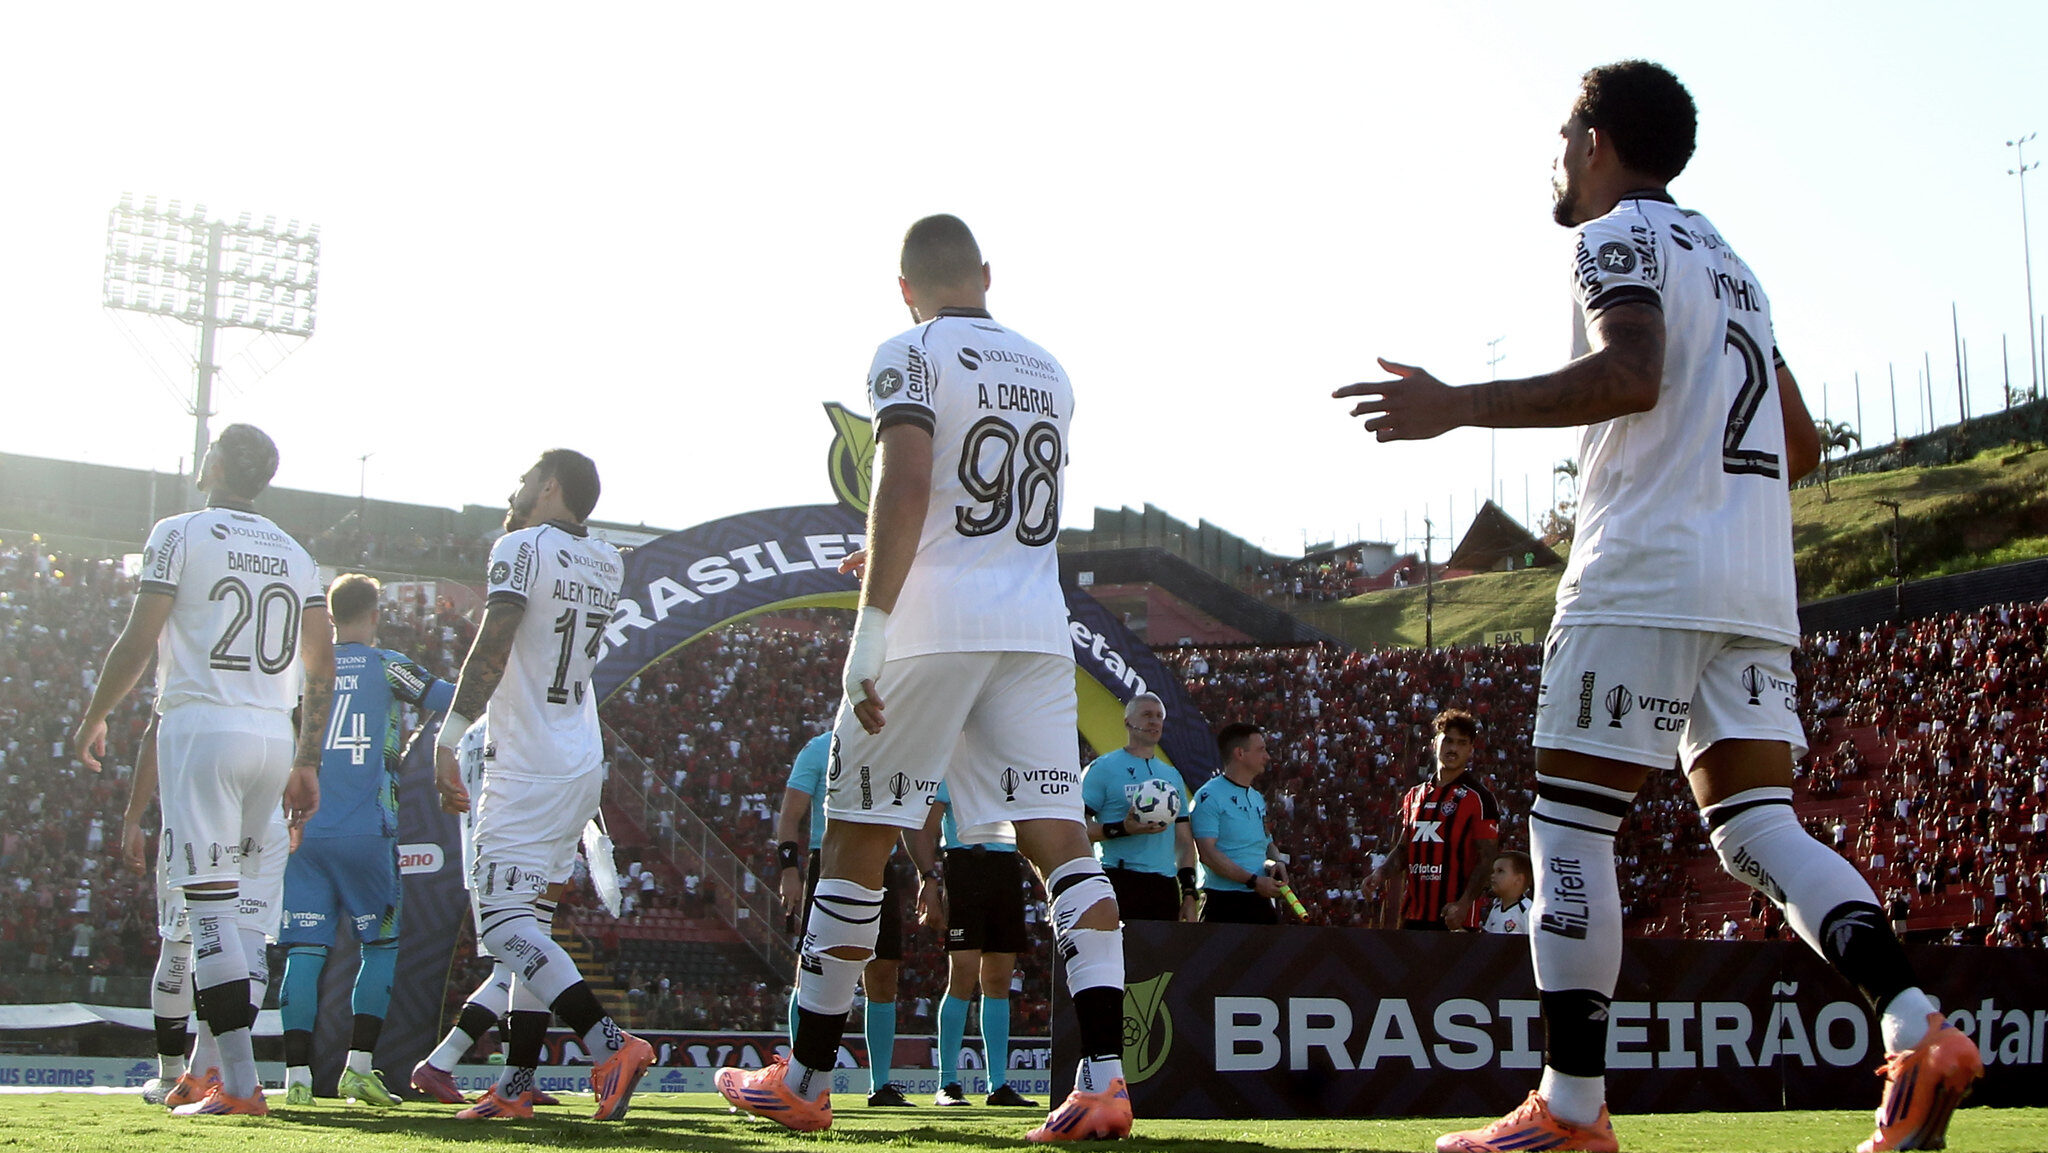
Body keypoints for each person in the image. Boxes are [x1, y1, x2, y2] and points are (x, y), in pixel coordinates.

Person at [1336, 60, 1982, 1153]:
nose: (1552, 155)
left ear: (1595, 140)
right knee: (1755, 828)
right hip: (1749, 584)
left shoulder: (1610, 237)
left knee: (1569, 823)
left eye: (1560, 133)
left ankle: (1571, 1108)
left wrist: (1457, 407)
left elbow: (1629, 373)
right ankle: (1915, 1024)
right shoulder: (1734, 265)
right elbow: (1800, 442)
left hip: (1645, 572)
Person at [717, 215, 1133, 1142]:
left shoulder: (905, 352)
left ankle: (807, 1076)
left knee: (858, 846)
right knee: (1064, 847)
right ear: (986, 274)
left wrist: (870, 626)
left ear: (903, 285)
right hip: (1033, 628)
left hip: (930, 631)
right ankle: (1104, 1078)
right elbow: (974, 511)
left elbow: (904, 484)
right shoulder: (1051, 368)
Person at [73, 423, 333, 1117]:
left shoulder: (179, 531)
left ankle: (241, 1088)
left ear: (213, 463)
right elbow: (321, 664)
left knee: (210, 912)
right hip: (273, 736)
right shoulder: (298, 555)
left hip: (203, 730)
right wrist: (306, 756)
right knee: (247, 919)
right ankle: (217, 1073)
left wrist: (95, 714)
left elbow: (139, 638)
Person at [432, 450, 653, 1121]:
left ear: (550, 485)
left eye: (528, 477)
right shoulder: (610, 558)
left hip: (525, 759)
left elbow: (496, 642)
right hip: (578, 757)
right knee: (535, 926)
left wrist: (449, 735)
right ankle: (517, 1081)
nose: (519, 486)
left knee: (502, 927)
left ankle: (608, 1043)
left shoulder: (520, 545)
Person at [279, 573, 455, 1106]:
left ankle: (296, 1082)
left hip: (304, 833)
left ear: (329, 615)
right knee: (380, 946)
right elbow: (450, 697)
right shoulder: (385, 665)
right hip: (369, 834)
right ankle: (358, 1068)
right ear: (375, 613)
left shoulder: (303, 670)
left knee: (304, 954)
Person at [408, 718, 562, 1109]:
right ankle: (440, 1063)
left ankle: (518, 1076)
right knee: (519, 969)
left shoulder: (469, 732)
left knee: (514, 970)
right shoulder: (516, 722)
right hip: (512, 858)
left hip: (479, 858)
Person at [774, 731, 915, 1108]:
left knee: (883, 974)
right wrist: (790, 869)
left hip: (879, 863)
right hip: (829, 861)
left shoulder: (891, 746)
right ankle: (799, 1075)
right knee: (811, 971)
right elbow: (790, 816)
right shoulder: (818, 748)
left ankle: (880, 1085)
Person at [911, 781, 1041, 1109]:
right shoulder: (951, 768)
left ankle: (998, 1084)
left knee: (999, 980)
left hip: (1006, 870)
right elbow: (925, 827)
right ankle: (947, 1084)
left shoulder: (1009, 767)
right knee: (963, 975)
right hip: (965, 865)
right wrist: (928, 878)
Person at [1367, 710, 1501, 930]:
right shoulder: (1414, 796)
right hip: (1414, 917)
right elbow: (1403, 850)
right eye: (1448, 740)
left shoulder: (1479, 798)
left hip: (1455, 918)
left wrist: (1464, 903)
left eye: (1461, 743)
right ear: (1434, 743)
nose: (1453, 748)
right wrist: (1380, 874)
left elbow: (1487, 859)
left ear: (1470, 749)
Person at [1082, 693, 1197, 921]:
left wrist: (1189, 893)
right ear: (1128, 722)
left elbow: (1184, 840)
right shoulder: (1103, 768)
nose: (1154, 721)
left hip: (1164, 886)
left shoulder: (1171, 776)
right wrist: (1122, 829)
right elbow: (1077, 828)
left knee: (1161, 957)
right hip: (1119, 879)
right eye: (1146, 715)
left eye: (1158, 716)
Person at [1189, 723, 1289, 924]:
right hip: (1224, 903)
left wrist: (1277, 862)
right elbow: (1208, 855)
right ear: (1240, 753)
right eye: (1261, 750)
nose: (1267, 756)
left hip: (1259, 901)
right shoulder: (1209, 796)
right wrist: (1253, 881)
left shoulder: (1256, 798)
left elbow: (1266, 845)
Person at [1482, 850, 1533, 936]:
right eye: (1493, 871)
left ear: (1518, 879)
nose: (1492, 875)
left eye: (1500, 871)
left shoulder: (1528, 911)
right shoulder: (1495, 909)